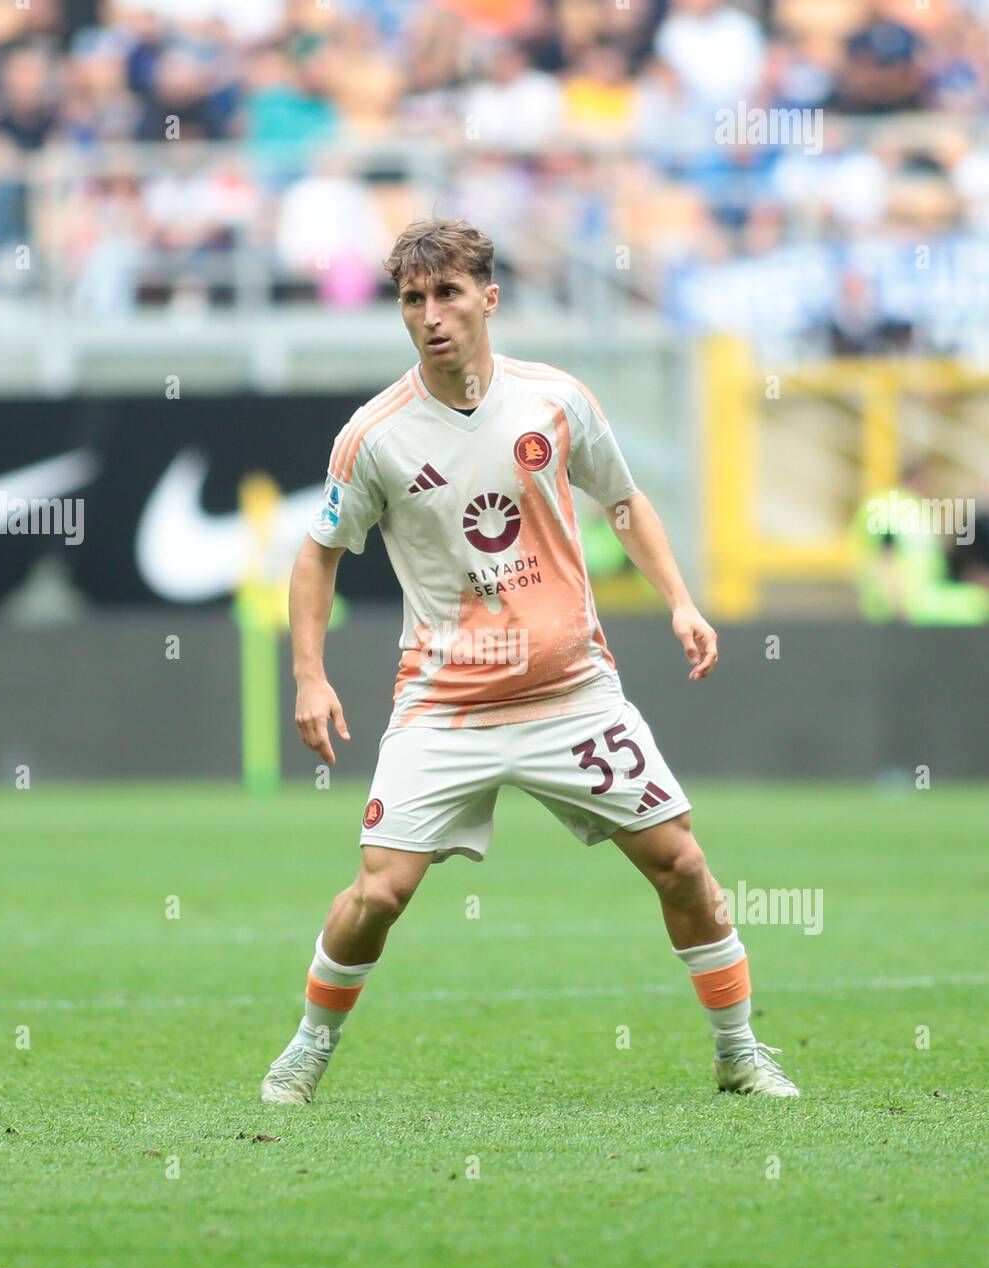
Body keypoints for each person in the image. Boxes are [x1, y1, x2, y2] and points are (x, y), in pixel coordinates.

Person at [261, 218, 800, 1105]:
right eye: (412, 298)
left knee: (682, 864)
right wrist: (309, 676)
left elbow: (622, 501)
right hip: (445, 704)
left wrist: (679, 600)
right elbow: (318, 552)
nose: (431, 315)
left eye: (447, 294)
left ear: (488, 299)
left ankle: (740, 1052)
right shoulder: (375, 435)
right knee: (379, 893)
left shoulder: (554, 400)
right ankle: (309, 1045)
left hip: (571, 692)